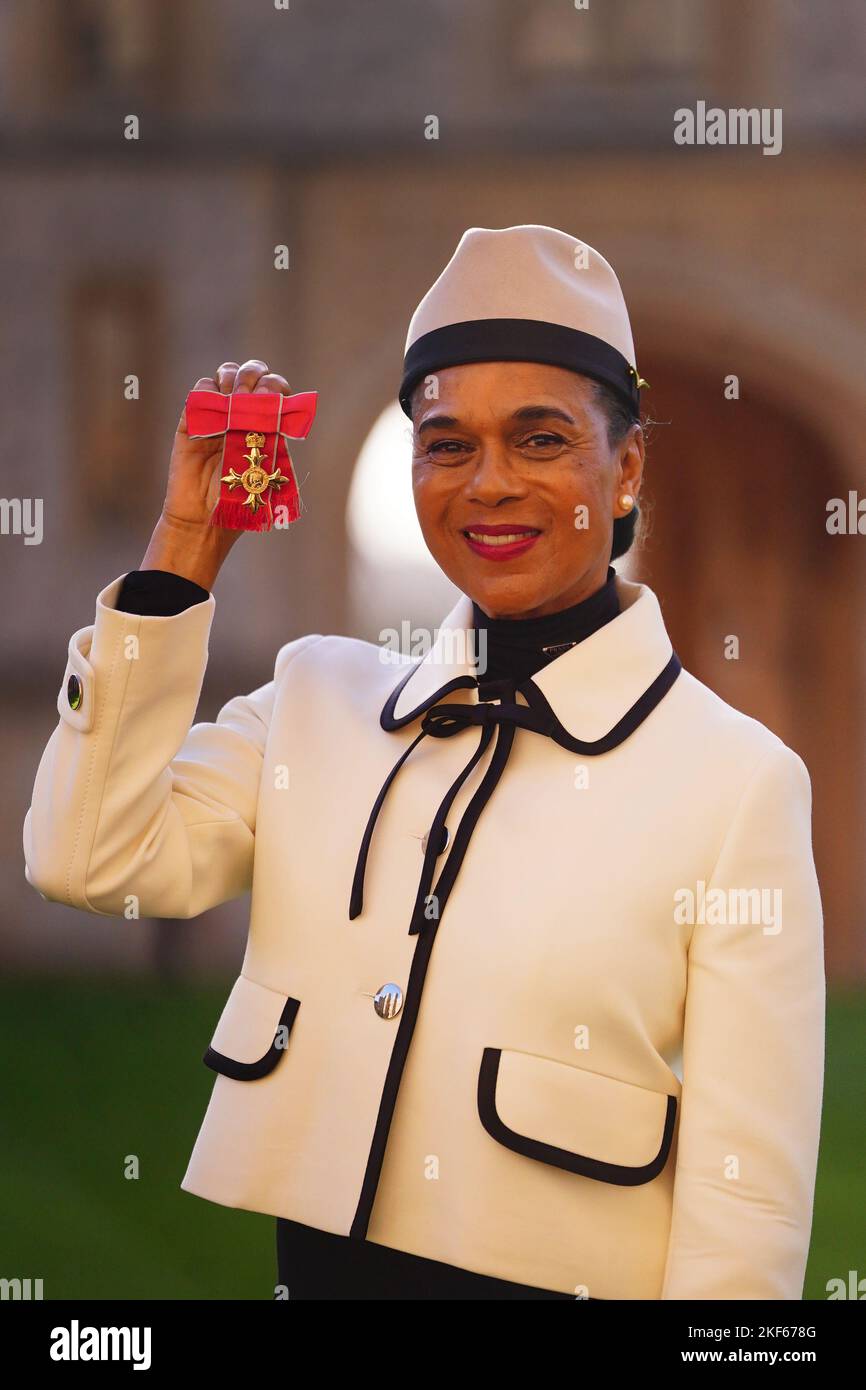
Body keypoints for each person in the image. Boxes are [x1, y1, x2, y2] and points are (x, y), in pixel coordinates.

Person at [23, 224, 825, 1300]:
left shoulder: (734, 783)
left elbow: (745, 1202)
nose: (486, 483)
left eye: (539, 440)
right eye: (446, 444)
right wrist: (178, 560)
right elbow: (88, 858)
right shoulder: (314, 703)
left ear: (625, 467)